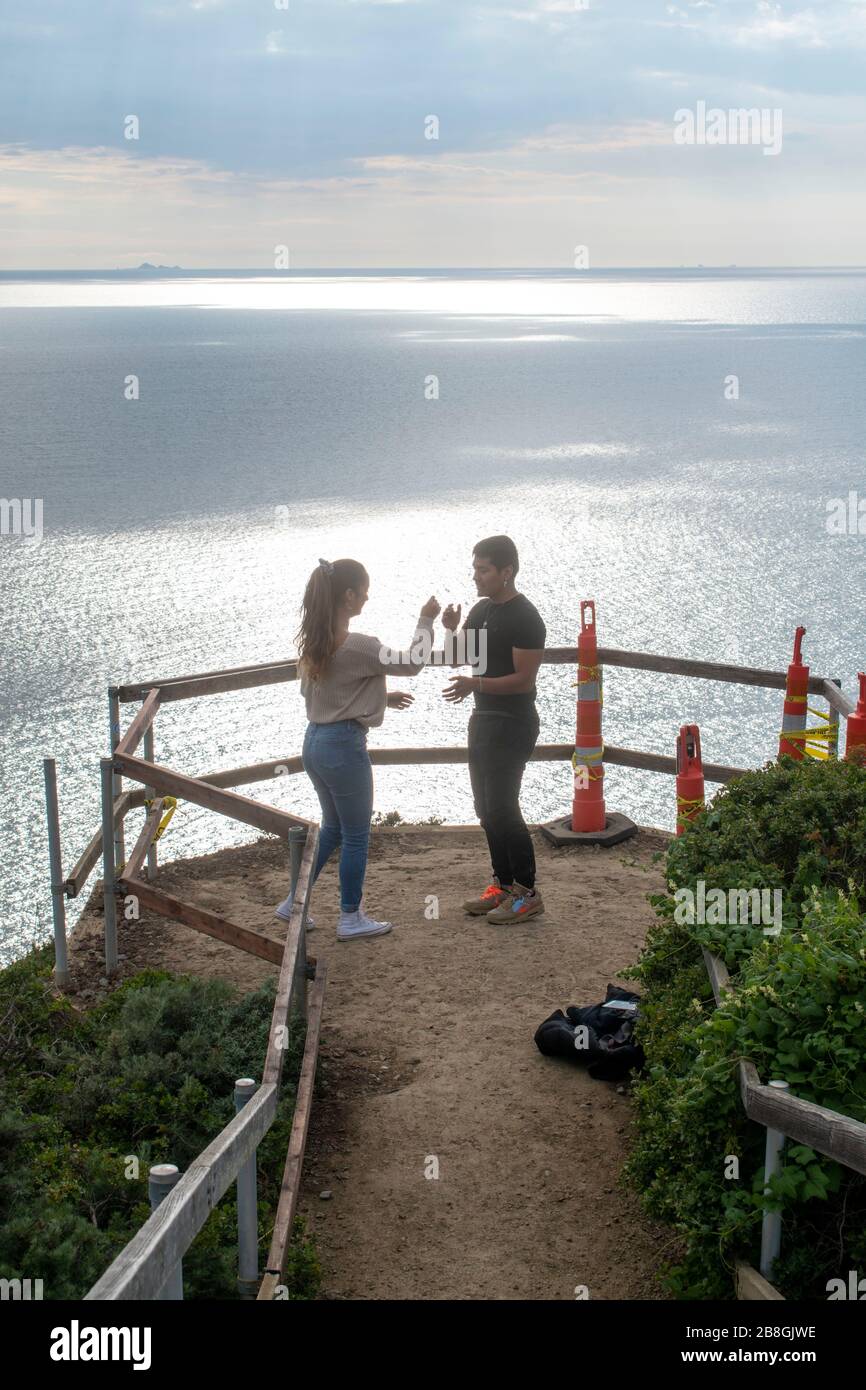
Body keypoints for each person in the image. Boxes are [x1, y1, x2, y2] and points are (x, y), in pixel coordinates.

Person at [275, 557, 439, 940]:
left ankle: (292, 902)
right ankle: (351, 916)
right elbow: (413, 662)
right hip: (344, 747)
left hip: (314, 743)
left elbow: (330, 691)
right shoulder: (360, 645)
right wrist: (426, 620)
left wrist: (381, 695)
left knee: (332, 828)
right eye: (363, 591)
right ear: (348, 596)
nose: (367, 596)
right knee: (356, 834)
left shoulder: (313, 644)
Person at [441, 536, 546, 923]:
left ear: (507, 572)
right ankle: (502, 885)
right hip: (484, 719)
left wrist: (476, 685)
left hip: (514, 722)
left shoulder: (526, 617)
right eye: (475, 569)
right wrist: (452, 629)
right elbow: (463, 656)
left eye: (483, 570)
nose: (476, 577)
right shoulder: (483, 610)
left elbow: (523, 679)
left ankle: (527, 891)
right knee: (485, 808)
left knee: (503, 806)